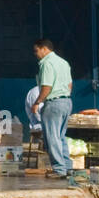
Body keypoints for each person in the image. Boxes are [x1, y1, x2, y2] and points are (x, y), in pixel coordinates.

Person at [31, 39, 72, 179]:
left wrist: (37, 102)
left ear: (44, 49)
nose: (35, 54)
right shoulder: (63, 62)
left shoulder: (47, 63)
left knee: (52, 137)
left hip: (53, 103)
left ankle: (59, 169)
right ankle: (67, 167)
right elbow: (70, 85)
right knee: (61, 136)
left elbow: (46, 87)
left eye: (36, 50)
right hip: (66, 101)